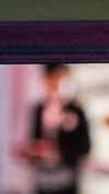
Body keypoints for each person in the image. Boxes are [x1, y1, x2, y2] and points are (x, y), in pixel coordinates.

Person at [25, 63, 91, 194]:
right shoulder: (39, 109)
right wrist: (35, 152)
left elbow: (85, 146)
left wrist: (59, 153)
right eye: (51, 78)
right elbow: (34, 139)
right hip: (43, 181)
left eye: (59, 78)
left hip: (68, 180)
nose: (55, 83)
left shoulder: (76, 110)